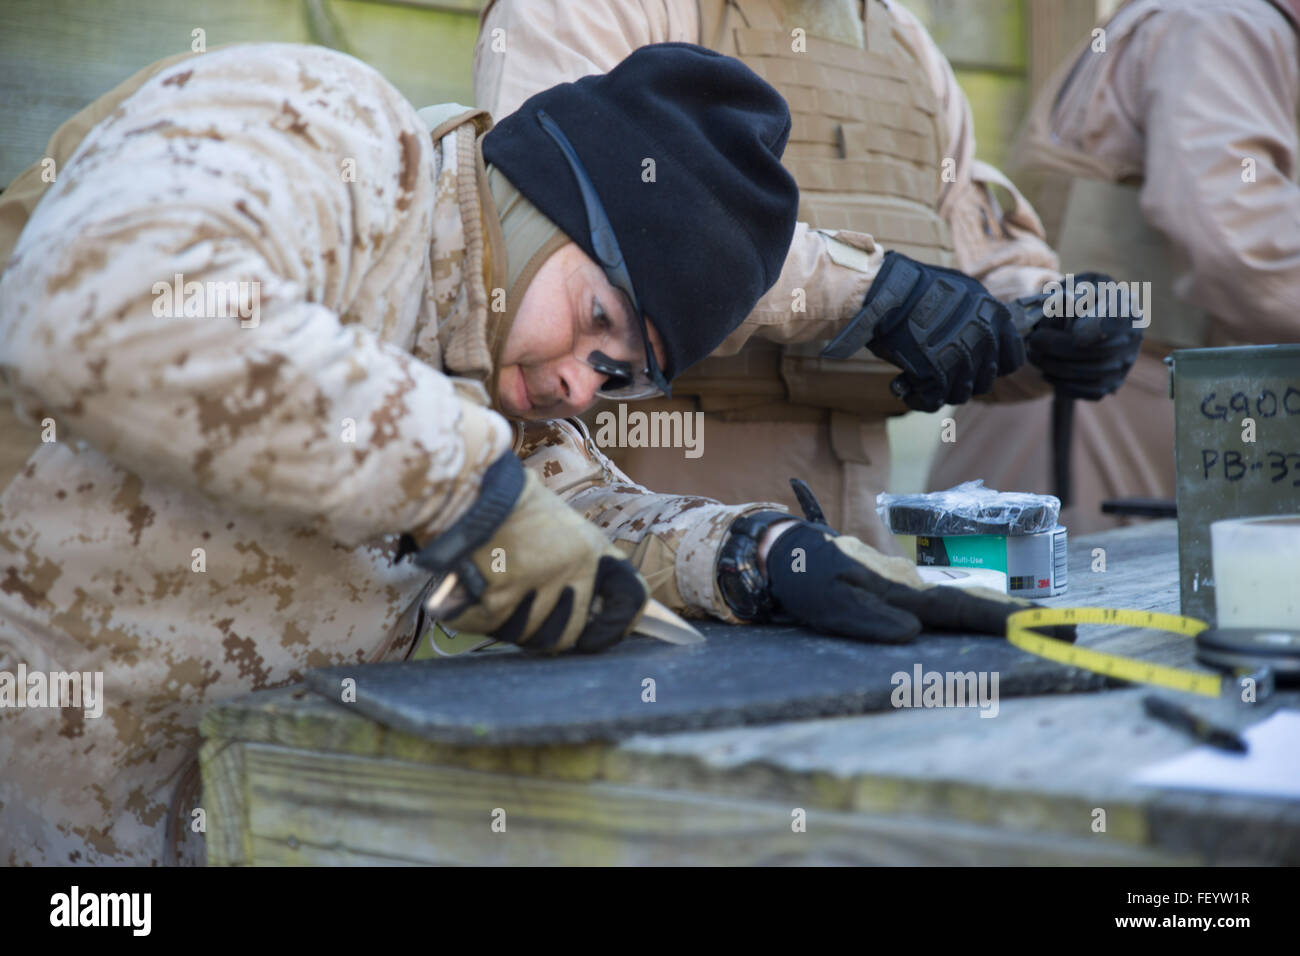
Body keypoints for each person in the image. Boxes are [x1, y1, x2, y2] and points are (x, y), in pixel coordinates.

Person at [0, 40, 1048, 866]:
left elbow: (562, 513)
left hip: (233, 813)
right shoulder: (325, 127)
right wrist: (461, 482)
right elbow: (106, 311)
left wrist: (756, 554)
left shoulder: (490, 356)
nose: (578, 384)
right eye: (594, 317)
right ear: (537, 200)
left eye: (623, 373)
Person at [474, 0, 1142, 548]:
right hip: (640, 504)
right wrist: (874, 292)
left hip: (853, 519)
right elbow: (553, 223)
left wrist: (1042, 325)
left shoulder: (903, 47)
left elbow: (965, 256)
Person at [929, 0, 1300, 531]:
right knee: (1075, 609)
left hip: (1095, 403)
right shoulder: (1223, 21)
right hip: (1100, 410)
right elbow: (1240, 251)